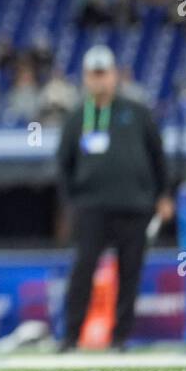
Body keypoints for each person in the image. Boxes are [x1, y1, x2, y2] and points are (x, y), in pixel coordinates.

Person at [55, 45, 174, 352]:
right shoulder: (77, 116)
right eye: (93, 74)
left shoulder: (136, 112)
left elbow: (158, 156)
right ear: (85, 77)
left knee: (130, 271)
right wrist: (72, 202)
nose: (98, 80)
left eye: (103, 73)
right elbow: (63, 164)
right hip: (91, 208)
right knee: (82, 270)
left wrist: (163, 194)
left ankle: (121, 338)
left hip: (135, 206)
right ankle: (70, 337)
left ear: (114, 75)